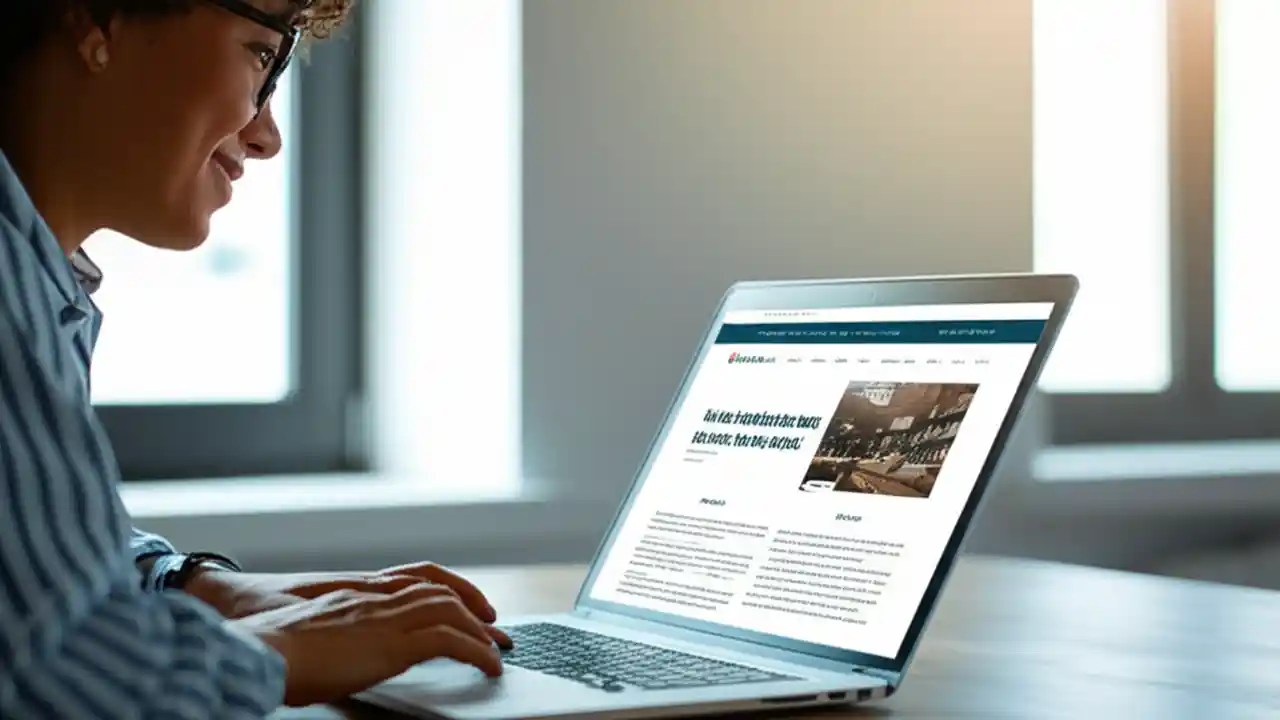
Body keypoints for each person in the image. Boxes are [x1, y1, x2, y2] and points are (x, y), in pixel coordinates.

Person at [0, 1, 511, 715]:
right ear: (97, 18)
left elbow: (22, 578)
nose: (267, 134)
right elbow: (72, 686)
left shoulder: (34, 282)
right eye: (259, 54)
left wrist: (198, 588)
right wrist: (289, 651)